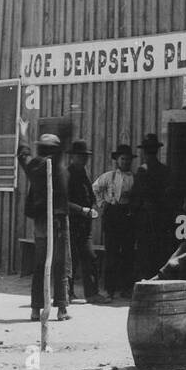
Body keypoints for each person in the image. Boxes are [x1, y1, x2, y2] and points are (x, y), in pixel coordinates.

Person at [17, 131, 93, 322]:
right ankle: (61, 309)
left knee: (40, 264)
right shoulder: (59, 169)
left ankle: (36, 309)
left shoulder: (34, 168)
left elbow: (23, 156)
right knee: (61, 265)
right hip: (58, 221)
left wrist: (23, 135)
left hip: (41, 222)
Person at [93, 143, 137, 299]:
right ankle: (109, 289)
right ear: (117, 160)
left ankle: (126, 288)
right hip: (112, 214)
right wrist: (101, 203)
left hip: (127, 215)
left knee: (127, 252)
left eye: (128, 159)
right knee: (111, 252)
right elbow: (95, 188)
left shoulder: (133, 178)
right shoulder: (109, 176)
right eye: (122, 159)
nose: (125, 162)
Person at [129, 134, 174, 281]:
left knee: (146, 252)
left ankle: (147, 281)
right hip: (158, 217)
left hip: (148, 217)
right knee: (157, 251)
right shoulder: (164, 170)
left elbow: (137, 194)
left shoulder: (143, 170)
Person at [64, 140, 100, 303]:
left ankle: (92, 294)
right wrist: (81, 210)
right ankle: (67, 294)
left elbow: (89, 195)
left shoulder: (84, 174)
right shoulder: (67, 175)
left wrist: (94, 204)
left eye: (85, 156)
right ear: (72, 157)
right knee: (70, 260)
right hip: (70, 224)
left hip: (85, 225)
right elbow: (62, 201)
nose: (83, 159)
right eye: (80, 156)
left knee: (90, 257)